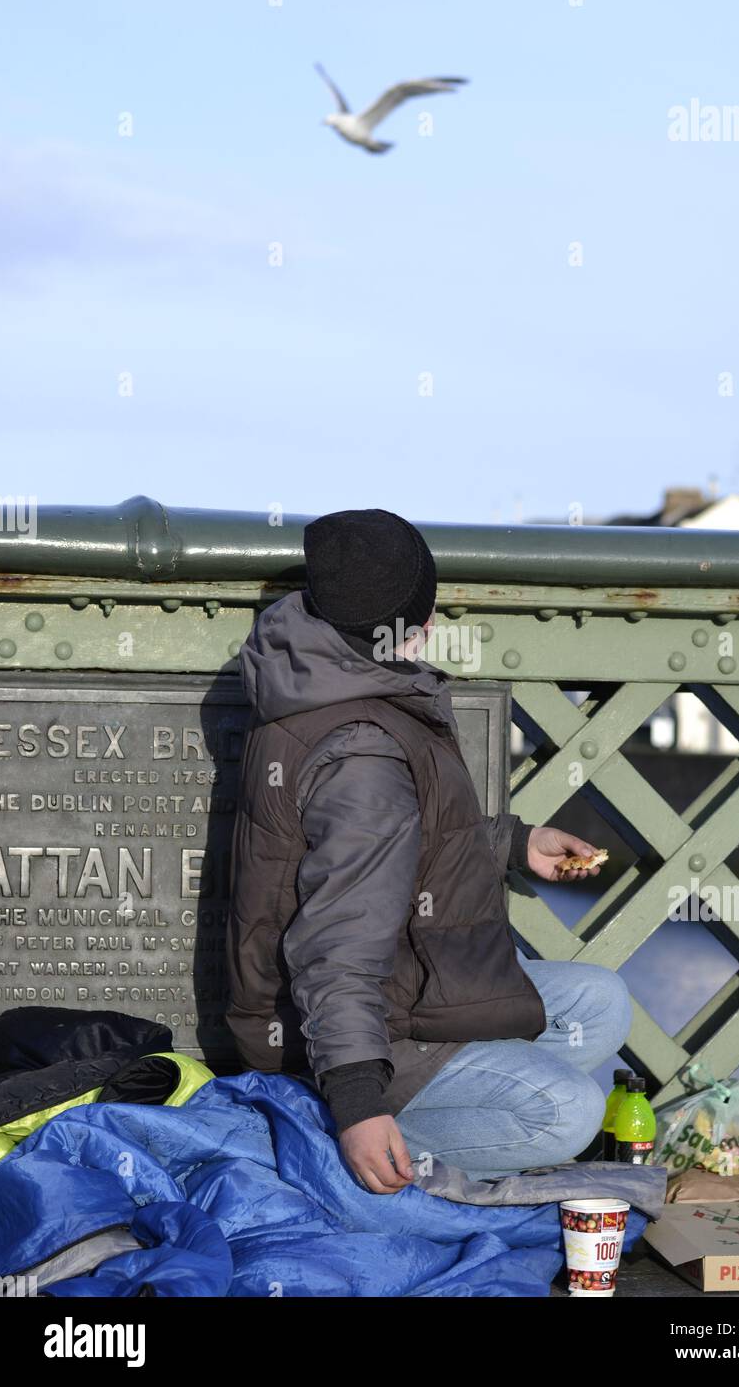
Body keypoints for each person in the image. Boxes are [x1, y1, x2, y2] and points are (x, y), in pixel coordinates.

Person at [226, 508, 633, 1194]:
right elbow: (339, 944)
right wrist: (358, 1100)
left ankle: (441, 1140)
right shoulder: (362, 754)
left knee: (601, 1001)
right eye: (425, 607)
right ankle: (338, 1157)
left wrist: (511, 842)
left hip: (400, 983)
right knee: (567, 1111)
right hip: (342, 1031)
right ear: (400, 624)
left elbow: (392, 837)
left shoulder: (329, 668)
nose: (436, 620)